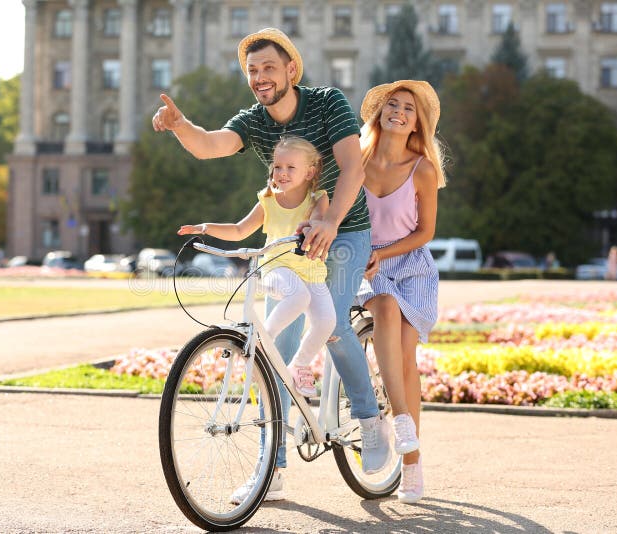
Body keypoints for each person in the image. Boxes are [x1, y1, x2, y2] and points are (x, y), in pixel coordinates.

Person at [153, 28, 390, 501]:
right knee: (273, 347)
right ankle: (272, 467)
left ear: (291, 71)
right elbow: (210, 143)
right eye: (252, 71)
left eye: (268, 68)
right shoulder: (255, 120)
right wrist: (180, 125)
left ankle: (370, 420)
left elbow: (352, 168)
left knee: (336, 323)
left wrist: (330, 223)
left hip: (346, 229)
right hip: (289, 240)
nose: (260, 78)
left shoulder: (327, 102)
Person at [178, 136, 336, 400]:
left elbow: (318, 220)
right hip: (277, 268)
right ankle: (261, 342)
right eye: (277, 167)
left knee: (327, 322)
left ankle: (299, 364)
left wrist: (312, 227)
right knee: (299, 297)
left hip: (309, 271)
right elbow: (240, 229)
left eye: (290, 167)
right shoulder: (268, 200)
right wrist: (205, 228)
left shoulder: (318, 199)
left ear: (309, 171)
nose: (282, 173)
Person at [355, 80, 446, 504]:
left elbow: (426, 232)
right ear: (379, 113)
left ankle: (411, 463)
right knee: (385, 310)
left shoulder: (422, 168)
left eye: (408, 108)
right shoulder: (356, 159)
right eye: (392, 104)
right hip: (362, 266)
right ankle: (400, 422)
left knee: (407, 357)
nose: (399, 111)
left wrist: (385, 253)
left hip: (410, 267)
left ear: (416, 122)